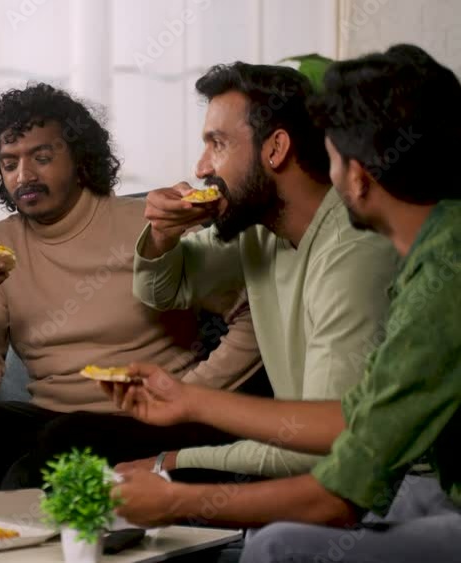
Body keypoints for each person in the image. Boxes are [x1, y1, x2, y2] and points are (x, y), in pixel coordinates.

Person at [106, 44, 461, 563]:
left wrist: (176, 497)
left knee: (277, 545)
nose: (324, 172)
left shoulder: (430, 277)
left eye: (331, 154)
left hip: (429, 496)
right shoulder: (435, 250)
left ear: (358, 176)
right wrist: (187, 399)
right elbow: (351, 420)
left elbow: (339, 495)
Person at [0, 83, 264, 501]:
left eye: (42, 158)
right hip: (48, 420)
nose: (23, 176)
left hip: (146, 420)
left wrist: (192, 394)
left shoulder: (153, 224)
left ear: (80, 159)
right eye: (9, 164)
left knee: (59, 445)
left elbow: (251, 315)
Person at [125, 61, 399, 478]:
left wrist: (170, 464)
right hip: (305, 461)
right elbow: (162, 289)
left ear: (276, 149)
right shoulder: (258, 230)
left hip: (380, 485)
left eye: (217, 144)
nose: (201, 168)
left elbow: (325, 448)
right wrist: (163, 234)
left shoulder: (352, 252)